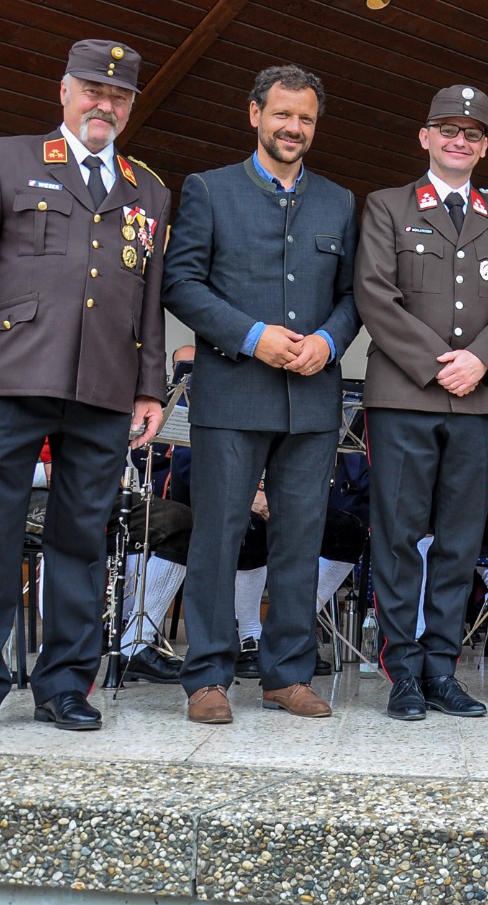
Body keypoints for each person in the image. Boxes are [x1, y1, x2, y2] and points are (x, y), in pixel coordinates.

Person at [0, 38, 172, 736]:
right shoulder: (5, 158)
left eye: (120, 94)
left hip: (104, 385)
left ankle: (66, 683)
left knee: (81, 538)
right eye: (94, 89)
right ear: (64, 90)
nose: (106, 103)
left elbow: (147, 298)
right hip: (11, 374)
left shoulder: (147, 187)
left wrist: (150, 386)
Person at [163, 65, 360, 724]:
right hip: (231, 393)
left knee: (301, 539)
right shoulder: (208, 190)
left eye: (304, 118)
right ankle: (209, 675)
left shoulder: (339, 201)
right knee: (217, 534)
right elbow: (181, 283)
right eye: (282, 114)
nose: (293, 127)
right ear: (254, 115)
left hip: (310, 399)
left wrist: (328, 342)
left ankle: (287, 674)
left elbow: (353, 294)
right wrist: (252, 336)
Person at [355, 84, 488, 720]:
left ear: (484, 147)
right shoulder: (387, 205)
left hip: (479, 403)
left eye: (472, 133)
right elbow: (375, 295)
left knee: (460, 543)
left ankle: (441, 669)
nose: (460, 141)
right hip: (405, 397)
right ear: (425, 137)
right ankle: (401, 670)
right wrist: (442, 366)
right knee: (400, 538)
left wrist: (482, 360)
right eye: (448, 130)